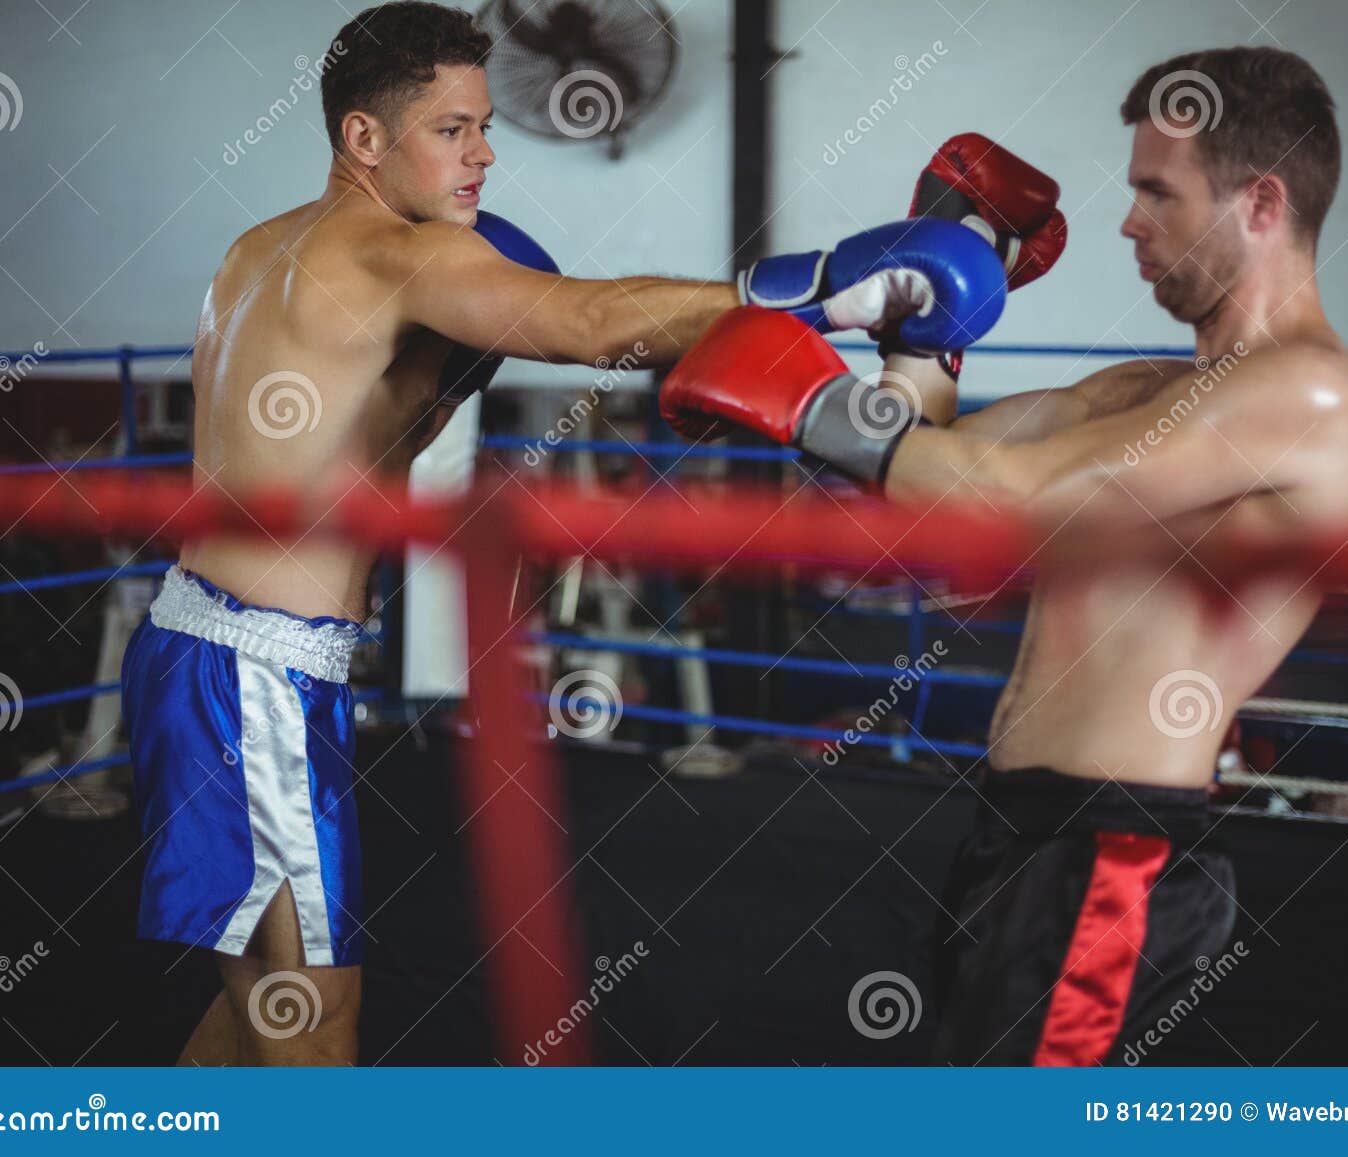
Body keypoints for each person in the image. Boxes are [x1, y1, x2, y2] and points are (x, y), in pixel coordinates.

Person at [120, 0, 1004, 1067]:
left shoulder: (256, 251)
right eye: (453, 129)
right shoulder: (399, 258)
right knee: (315, 1020)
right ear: (363, 138)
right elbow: (591, 321)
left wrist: (422, 397)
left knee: (257, 998)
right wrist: (825, 292)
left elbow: (337, 440)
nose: (485, 153)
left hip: (208, 646)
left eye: (485, 125)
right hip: (252, 674)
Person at [659, 46, 1348, 1065]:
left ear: (1259, 202)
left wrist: (810, 398)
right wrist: (925, 327)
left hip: (1117, 851)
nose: (1129, 221)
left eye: (1155, 191)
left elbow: (1028, 496)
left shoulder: (1314, 395)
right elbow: (942, 476)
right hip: (1022, 834)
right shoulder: (1141, 389)